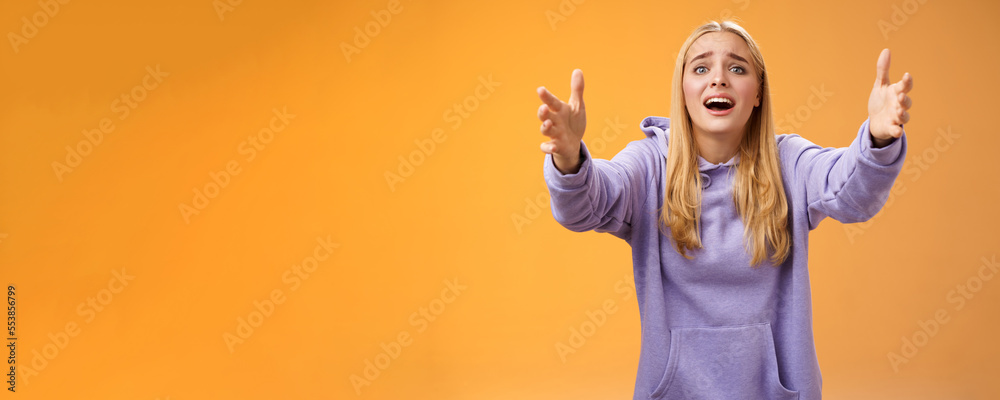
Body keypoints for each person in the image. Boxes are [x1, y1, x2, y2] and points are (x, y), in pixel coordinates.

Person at [535, 20, 912, 399]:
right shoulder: (649, 164)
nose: (719, 79)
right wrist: (569, 161)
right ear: (683, 92)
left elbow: (850, 193)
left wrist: (876, 140)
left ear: (758, 93)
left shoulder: (790, 161)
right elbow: (586, 206)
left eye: (737, 68)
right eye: (701, 68)